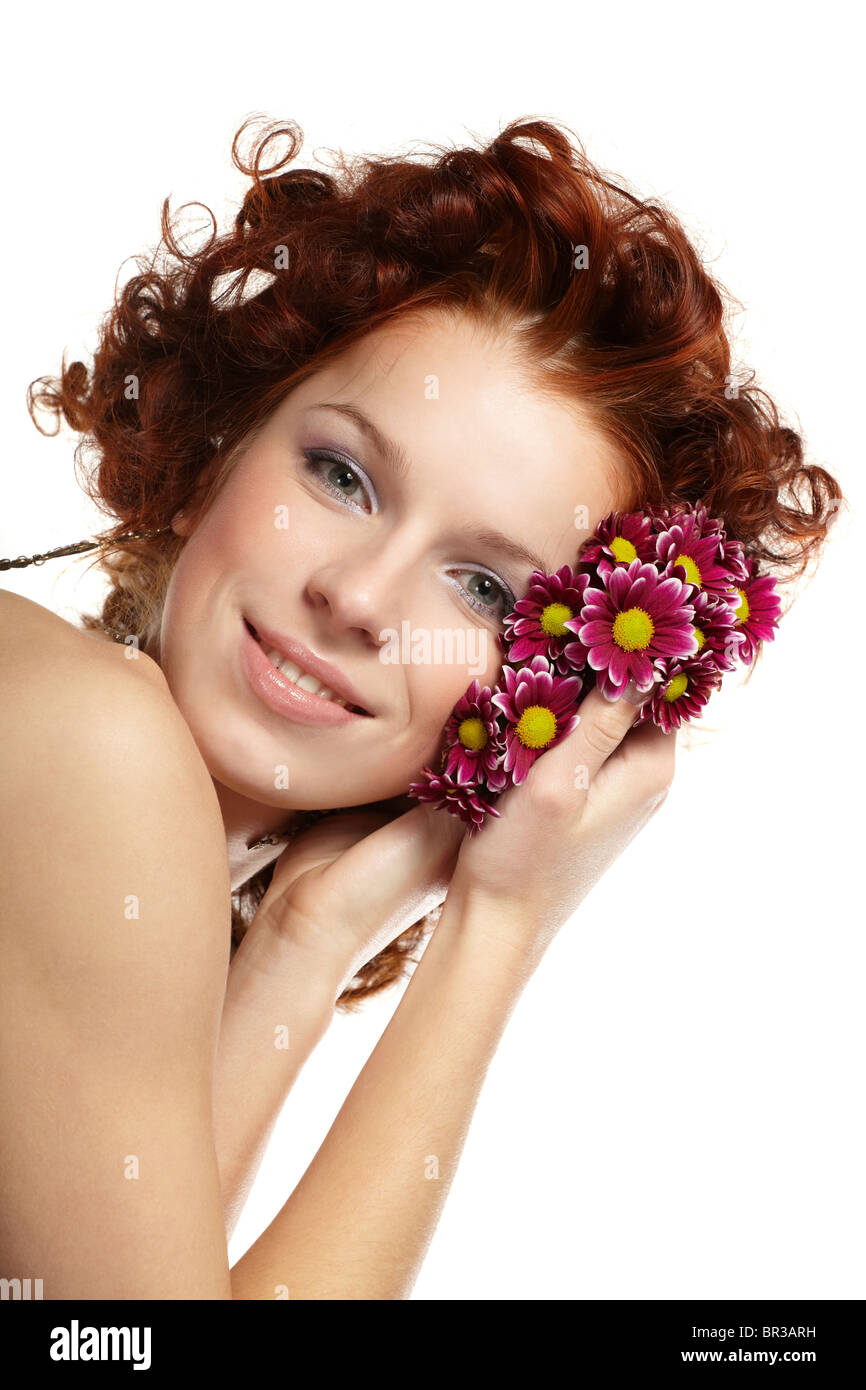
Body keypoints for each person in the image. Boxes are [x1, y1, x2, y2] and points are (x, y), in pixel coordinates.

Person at [0, 115, 842, 1299]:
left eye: (481, 585)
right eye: (338, 475)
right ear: (210, 457)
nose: (353, 596)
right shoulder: (94, 745)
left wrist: (306, 940)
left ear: (532, 702)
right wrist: (497, 926)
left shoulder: (127, 842)